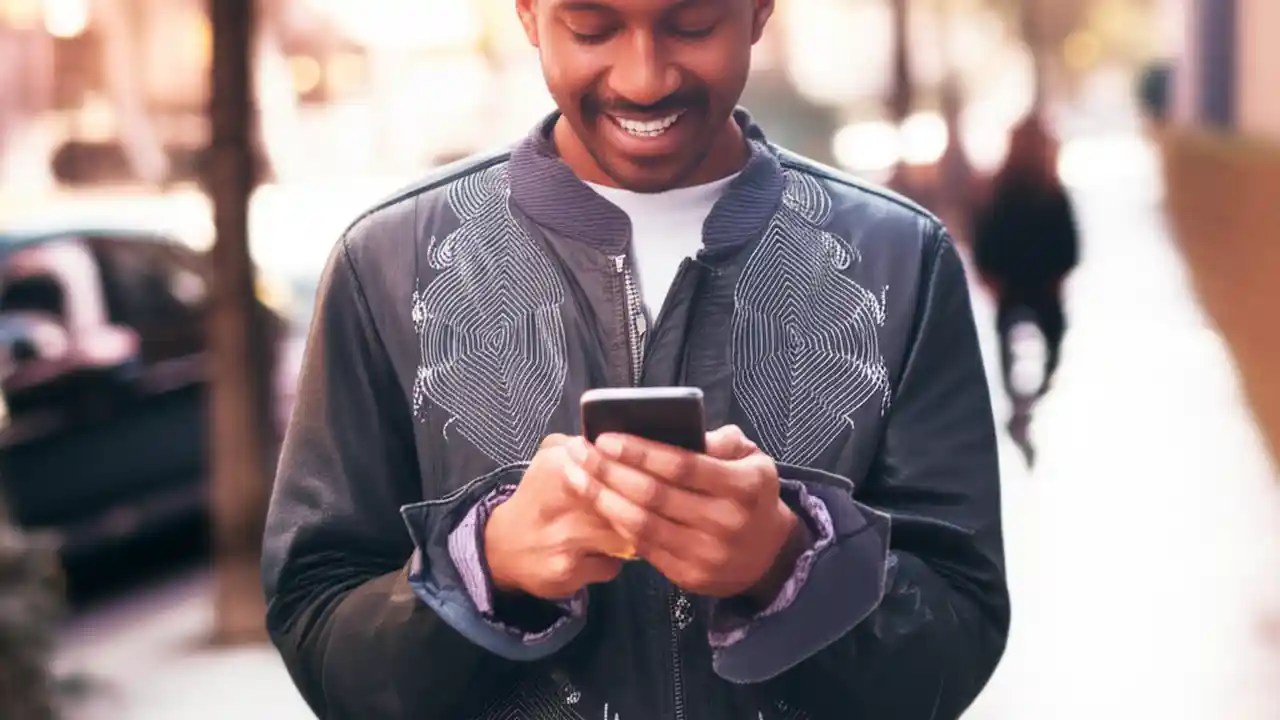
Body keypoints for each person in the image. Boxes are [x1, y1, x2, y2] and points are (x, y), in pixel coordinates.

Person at [261, 1, 1009, 718]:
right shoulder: (388, 264)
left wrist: (786, 563)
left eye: (691, 25)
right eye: (592, 28)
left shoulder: (899, 260)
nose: (643, 78)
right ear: (527, 13)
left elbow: (957, 640)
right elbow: (322, 639)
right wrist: (487, 567)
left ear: (758, 10)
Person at [972, 113, 1079, 462]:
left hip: (1025, 288)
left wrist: (991, 277)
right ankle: (1023, 402)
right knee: (1042, 343)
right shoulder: (1030, 190)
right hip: (1028, 287)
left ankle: (1022, 403)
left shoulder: (1036, 191)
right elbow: (1070, 246)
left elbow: (983, 240)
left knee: (1022, 344)